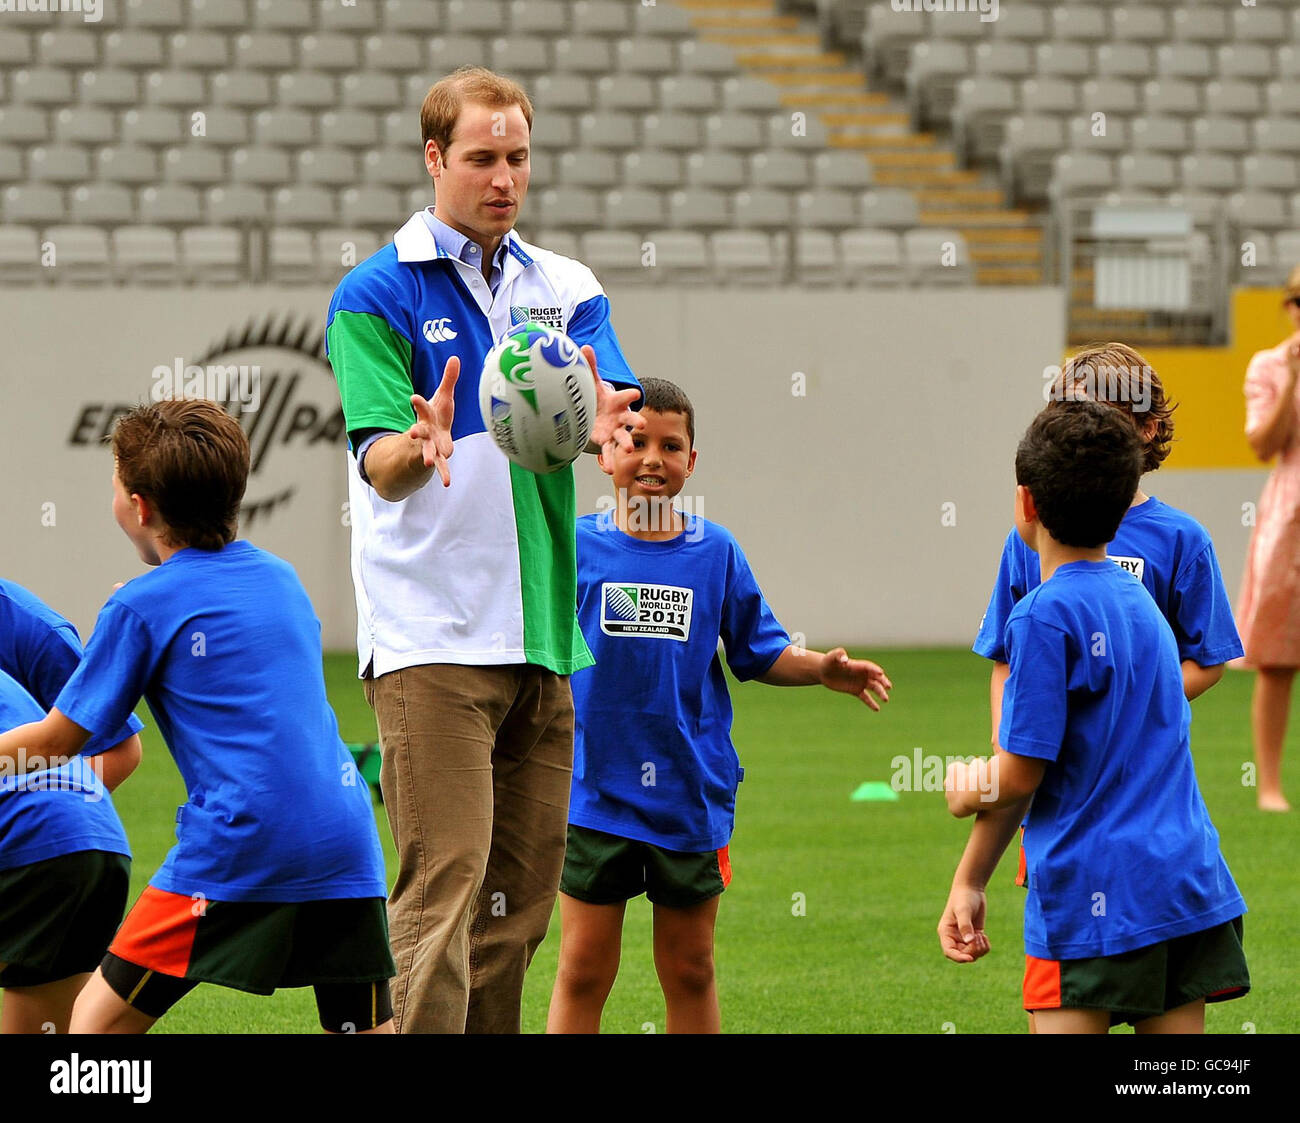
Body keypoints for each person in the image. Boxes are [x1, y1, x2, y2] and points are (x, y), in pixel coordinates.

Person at [325, 66, 643, 1033]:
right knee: (445, 892)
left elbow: (610, 411)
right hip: (431, 638)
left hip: (544, 634)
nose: (504, 178)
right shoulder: (374, 292)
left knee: (518, 912)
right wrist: (419, 449)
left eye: (517, 157)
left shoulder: (569, 286)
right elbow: (379, 462)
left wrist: (610, 431)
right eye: (481, 158)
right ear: (435, 158)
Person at [0, 400, 394, 1034]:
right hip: (345, 843)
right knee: (365, 1029)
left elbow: (56, 739)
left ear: (139, 506)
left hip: (241, 843)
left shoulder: (140, 605)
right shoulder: (282, 578)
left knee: (91, 1032)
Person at [546, 379, 892, 1033]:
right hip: (593, 793)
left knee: (691, 968)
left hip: (688, 793)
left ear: (692, 462)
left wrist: (821, 668)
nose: (652, 457)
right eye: (635, 439)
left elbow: (758, 651)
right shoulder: (573, 542)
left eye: (670, 445)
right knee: (584, 967)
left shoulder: (715, 551)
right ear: (604, 453)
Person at [940, 401, 1249, 1034]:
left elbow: (1021, 774)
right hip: (1185, 882)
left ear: (1026, 503)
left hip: (1091, 893)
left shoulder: (1041, 617)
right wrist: (972, 878)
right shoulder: (1142, 600)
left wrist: (967, 787)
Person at [0, 579, 142, 1033]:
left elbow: (118, 746)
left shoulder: (33, 628)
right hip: (87, 850)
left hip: (46, 845)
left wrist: (49, 805)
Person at [1236, 265, 1300, 812]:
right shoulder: (1271, 365)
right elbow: (1262, 442)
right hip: (1291, 511)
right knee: (1279, 657)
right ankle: (1270, 784)